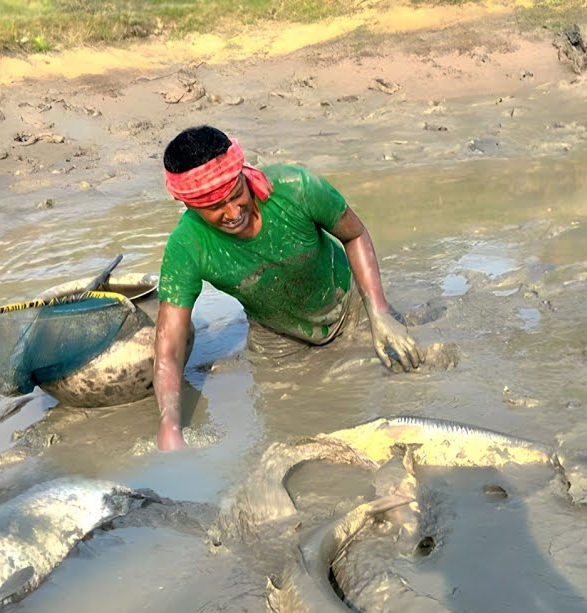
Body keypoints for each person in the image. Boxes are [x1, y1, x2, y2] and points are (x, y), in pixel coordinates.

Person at [154, 125, 422, 451]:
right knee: (288, 434)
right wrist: (169, 426)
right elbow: (169, 348)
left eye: (236, 195)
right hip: (277, 340)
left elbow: (354, 235)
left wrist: (379, 312)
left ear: (242, 173)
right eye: (215, 208)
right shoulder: (186, 246)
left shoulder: (296, 188)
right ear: (190, 206)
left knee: (405, 387)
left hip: (349, 309)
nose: (233, 212)